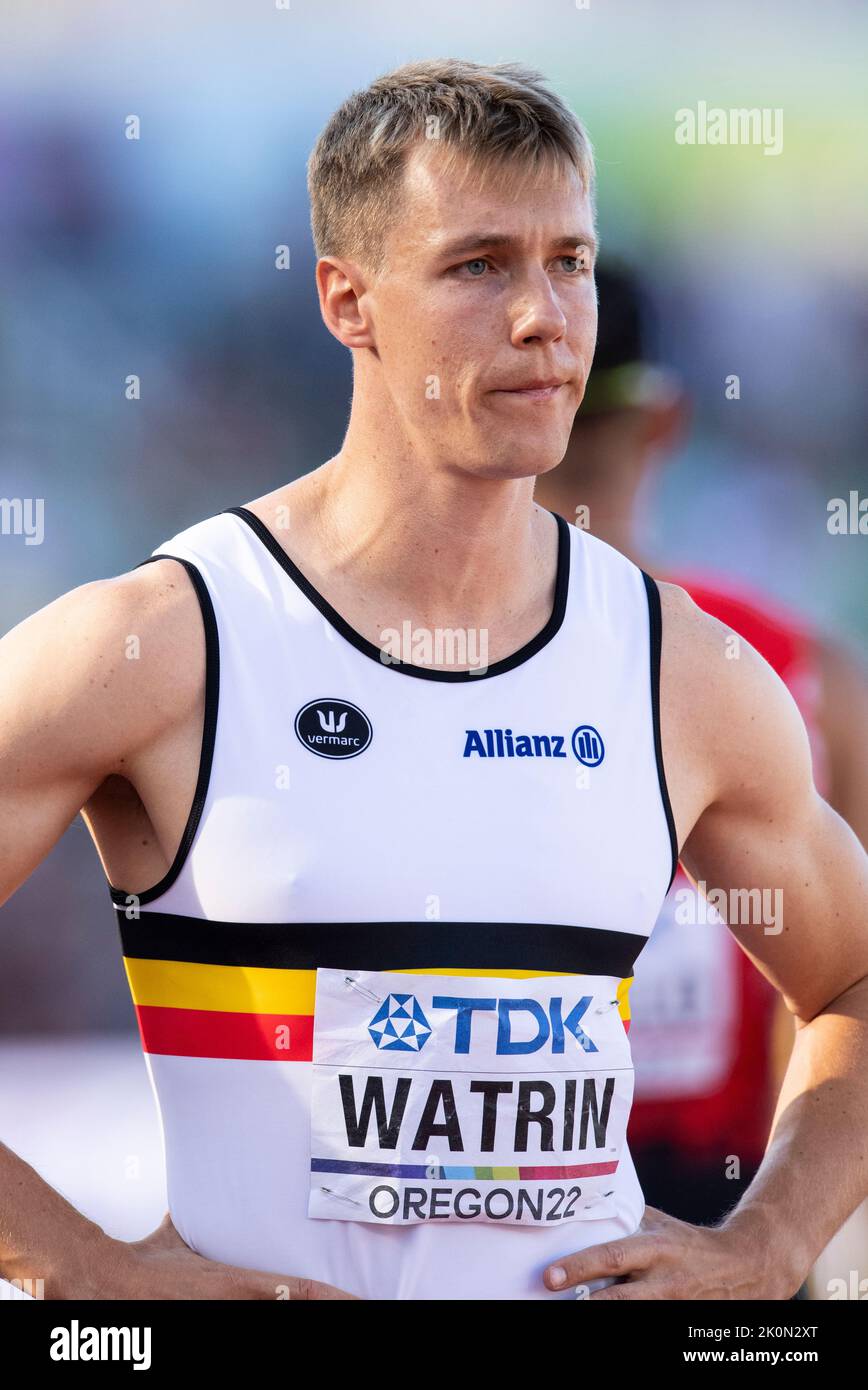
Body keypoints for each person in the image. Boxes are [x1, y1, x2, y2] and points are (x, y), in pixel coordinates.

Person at [1, 58, 867, 1302]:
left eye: (568, 260)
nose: (543, 316)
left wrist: (770, 1243)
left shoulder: (680, 667)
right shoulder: (162, 641)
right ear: (347, 301)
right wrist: (71, 1263)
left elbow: (851, 976)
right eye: (479, 266)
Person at [534, 265, 868, 1291]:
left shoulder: (401, 662)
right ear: (665, 420)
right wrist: (783, 1242)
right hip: (725, 1230)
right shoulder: (792, 665)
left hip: (497, 1217)